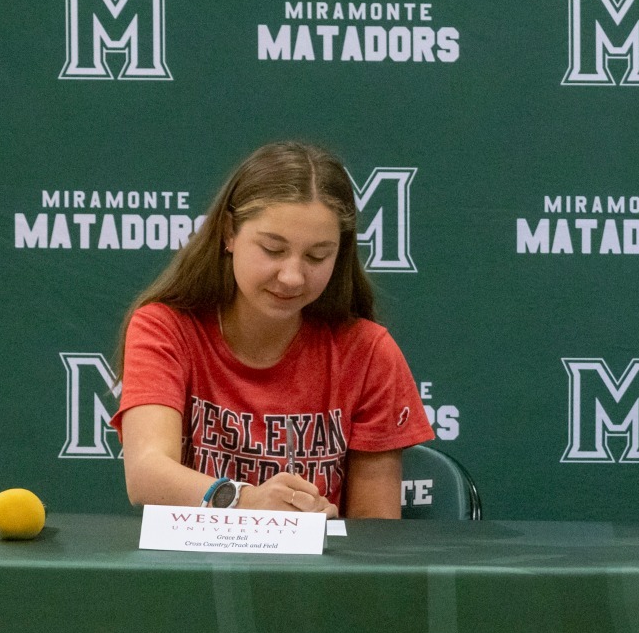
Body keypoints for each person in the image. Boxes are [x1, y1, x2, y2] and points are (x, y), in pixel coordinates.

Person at [114, 141, 435, 518]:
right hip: (189, 557)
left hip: (318, 557)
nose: (292, 276)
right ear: (229, 233)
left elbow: (375, 532)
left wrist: (327, 523)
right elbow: (146, 474)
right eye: (272, 249)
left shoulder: (368, 351)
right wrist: (248, 501)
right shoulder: (165, 328)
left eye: (317, 256)